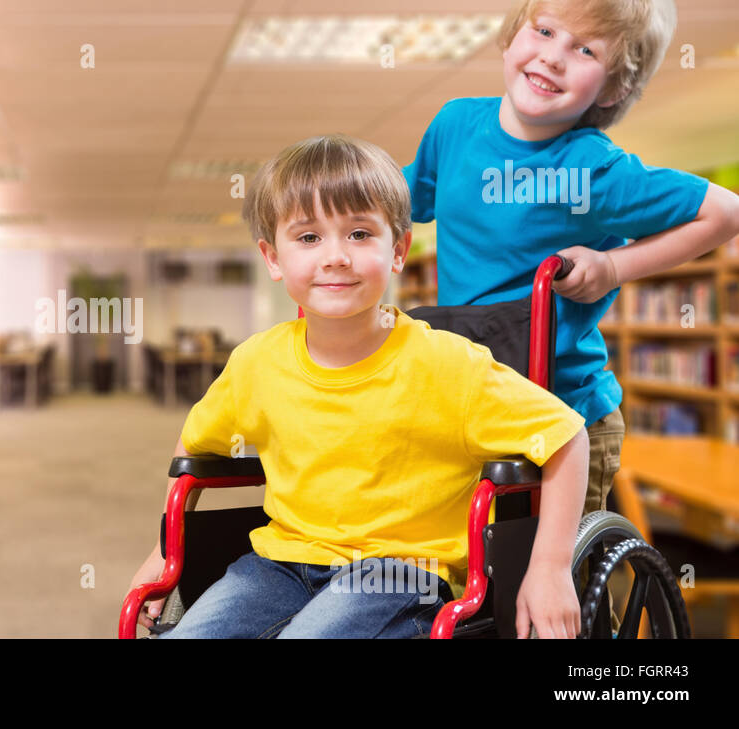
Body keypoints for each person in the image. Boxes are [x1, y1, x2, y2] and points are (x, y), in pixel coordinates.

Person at [127, 134, 590, 638]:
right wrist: (165, 552)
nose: (335, 257)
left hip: (398, 572)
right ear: (273, 257)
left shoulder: (449, 365)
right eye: (308, 238)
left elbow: (567, 437)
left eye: (359, 234)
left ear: (398, 250)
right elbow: (194, 446)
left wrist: (549, 568)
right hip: (280, 563)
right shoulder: (256, 363)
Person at [404, 0, 739, 515]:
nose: (554, 57)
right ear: (513, 36)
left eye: (585, 49)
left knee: (547, 578)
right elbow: (394, 204)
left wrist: (612, 268)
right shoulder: (454, 127)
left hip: (565, 415)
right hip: (473, 400)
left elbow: (725, 212)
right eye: (543, 30)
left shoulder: (593, 168)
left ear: (612, 87)